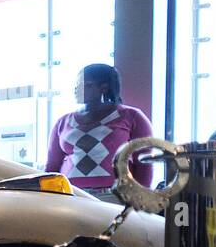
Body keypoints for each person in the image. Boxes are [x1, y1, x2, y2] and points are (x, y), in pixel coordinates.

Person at [45, 63, 153, 200]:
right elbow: (52, 166)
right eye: (76, 84)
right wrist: (48, 197)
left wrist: (141, 200)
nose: (77, 89)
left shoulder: (131, 117)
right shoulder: (63, 121)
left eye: (86, 84)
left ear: (103, 87)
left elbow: (144, 163)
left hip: (115, 197)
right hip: (70, 196)